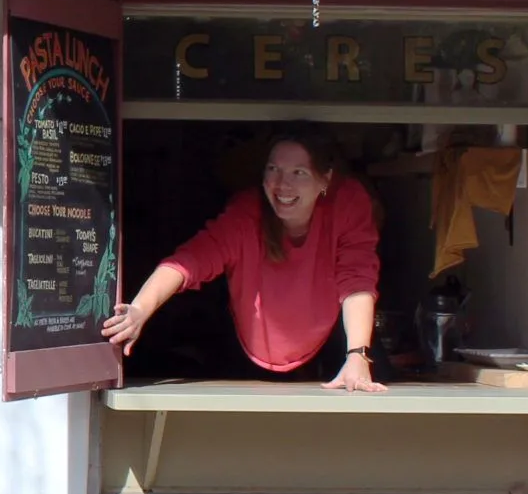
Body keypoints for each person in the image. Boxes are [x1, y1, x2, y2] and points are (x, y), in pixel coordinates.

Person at [100, 128, 386, 393]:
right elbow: (190, 261)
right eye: (273, 169)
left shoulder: (347, 203)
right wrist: (140, 308)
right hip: (248, 346)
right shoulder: (246, 214)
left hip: (335, 336)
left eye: (299, 172)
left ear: (325, 179)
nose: (282, 184)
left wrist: (358, 356)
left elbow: (357, 280)